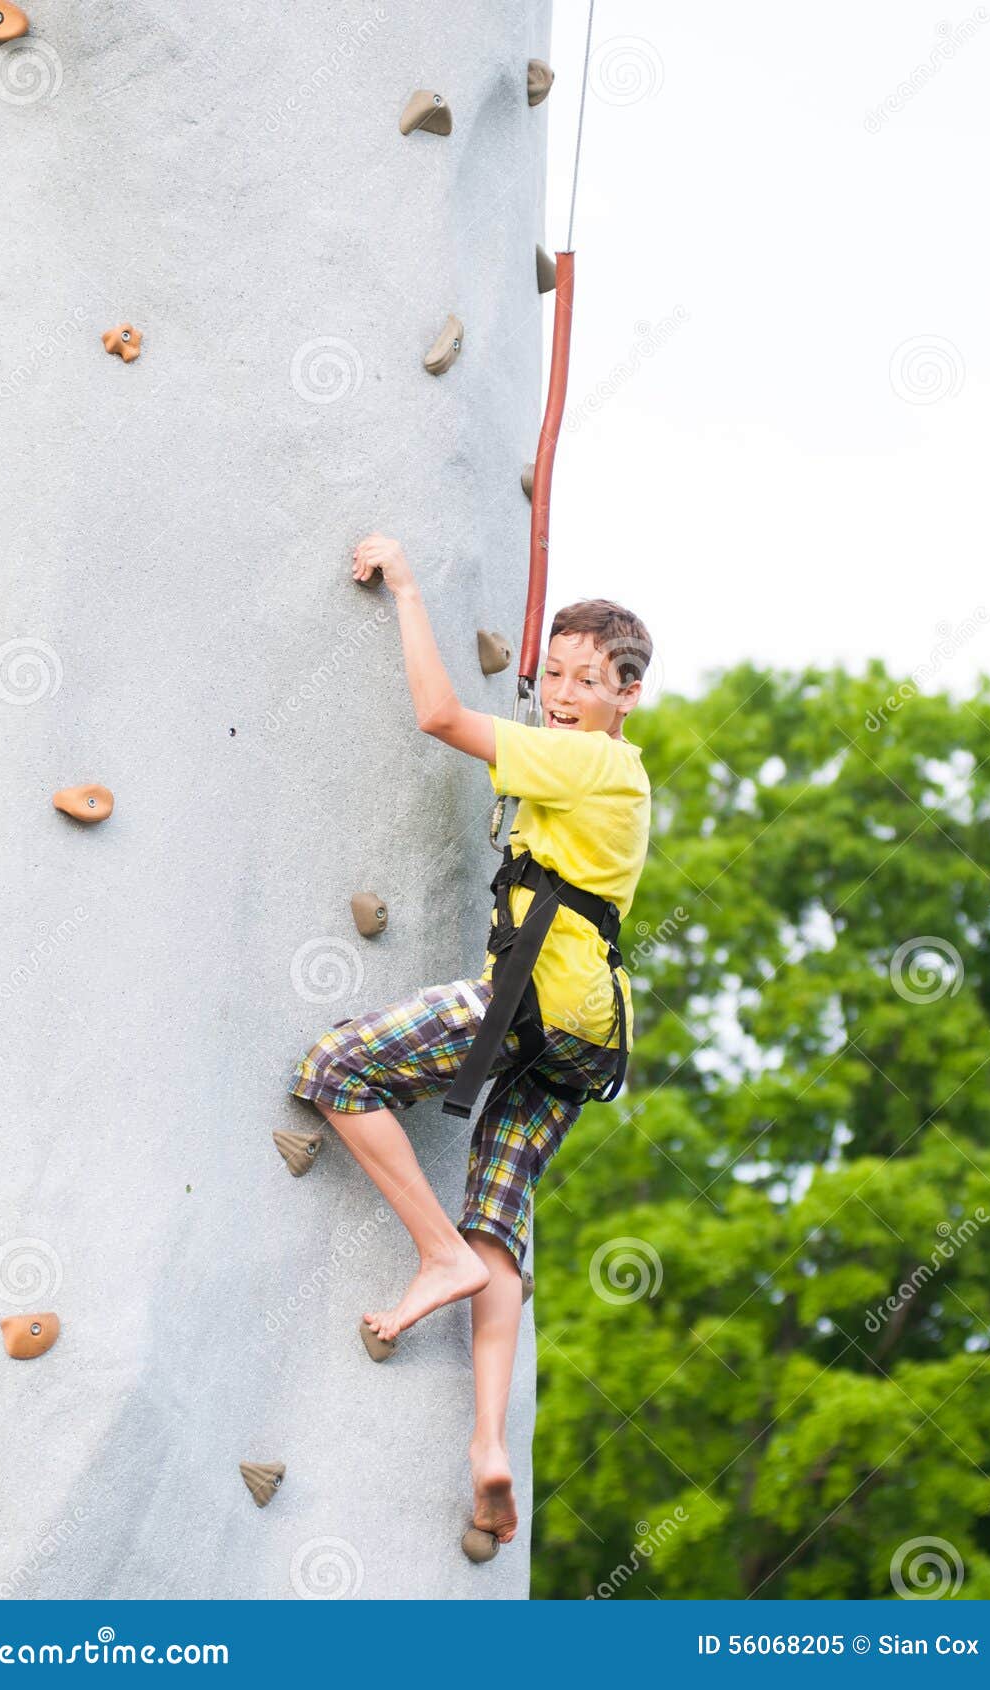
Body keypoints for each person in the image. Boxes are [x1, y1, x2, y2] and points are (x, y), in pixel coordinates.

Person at [289, 532, 652, 1551]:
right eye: (559, 676)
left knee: (334, 1069)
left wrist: (406, 586)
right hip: (587, 1040)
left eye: (591, 680)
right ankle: (488, 1449)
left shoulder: (587, 760)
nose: (565, 694)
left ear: (628, 695)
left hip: (528, 1004)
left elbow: (441, 715)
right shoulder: (611, 775)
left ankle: (432, 1254)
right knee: (504, 1226)